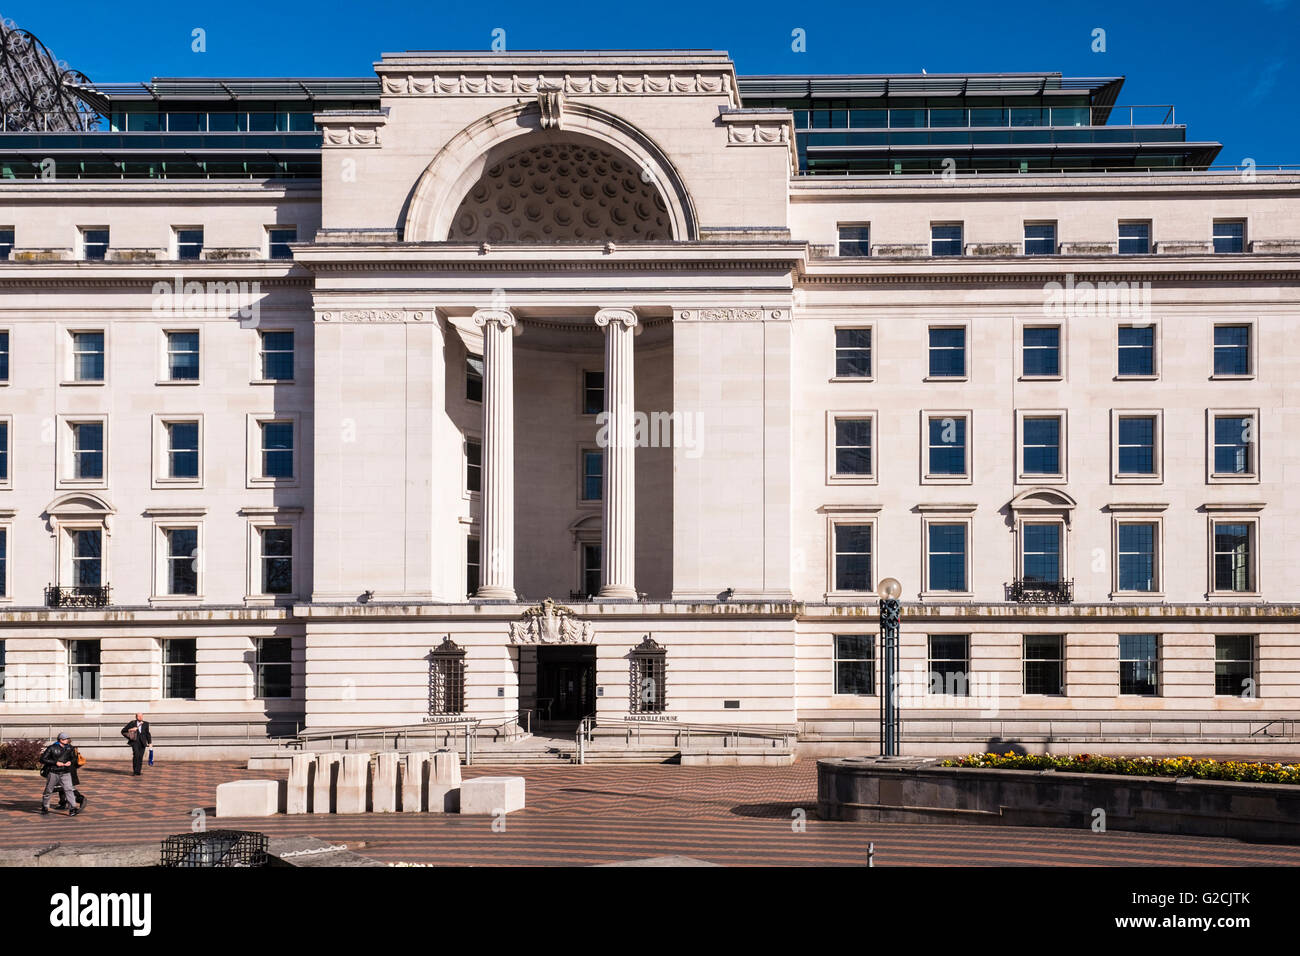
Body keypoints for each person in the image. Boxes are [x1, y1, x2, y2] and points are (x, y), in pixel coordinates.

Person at [40, 733, 79, 816]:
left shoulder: (70, 748)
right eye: (65, 739)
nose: (67, 740)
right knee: (49, 790)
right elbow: (43, 759)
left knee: (69, 789)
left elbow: (74, 758)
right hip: (53, 772)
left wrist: (70, 762)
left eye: (67, 739)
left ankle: (72, 808)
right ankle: (45, 806)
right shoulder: (52, 748)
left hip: (65, 772)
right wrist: (55, 763)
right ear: (61, 740)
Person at [53, 743, 87, 812]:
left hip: (65, 771)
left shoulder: (60, 748)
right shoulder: (71, 748)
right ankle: (62, 803)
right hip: (70, 770)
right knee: (61, 787)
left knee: (67, 787)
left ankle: (80, 798)